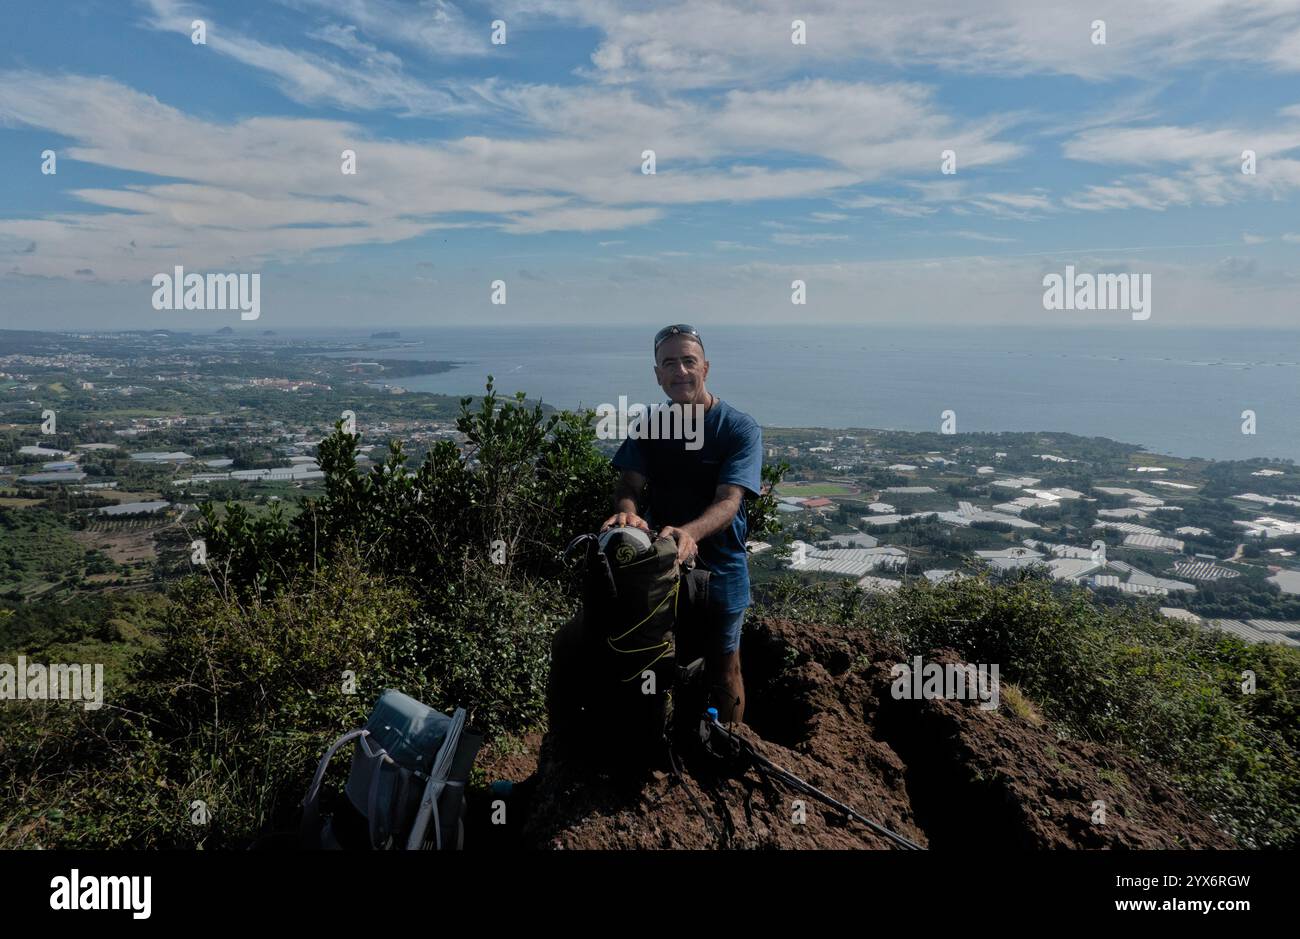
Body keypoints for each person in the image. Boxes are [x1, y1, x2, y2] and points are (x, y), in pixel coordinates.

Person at [602, 324, 762, 724]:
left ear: (705, 368)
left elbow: (729, 501)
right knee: (657, 659)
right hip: (661, 566)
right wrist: (628, 512)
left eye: (689, 361)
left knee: (725, 665)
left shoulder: (738, 428)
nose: (681, 371)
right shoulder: (650, 425)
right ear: (658, 375)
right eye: (669, 363)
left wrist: (690, 532)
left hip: (722, 566)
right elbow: (629, 485)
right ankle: (660, 741)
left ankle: (728, 741)